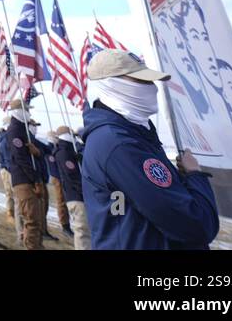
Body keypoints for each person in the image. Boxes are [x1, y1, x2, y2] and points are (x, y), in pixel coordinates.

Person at [79, 49, 219, 250]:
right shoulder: (120, 144)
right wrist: (195, 176)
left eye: (150, 81)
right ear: (112, 84)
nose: (151, 88)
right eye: (141, 81)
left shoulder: (135, 134)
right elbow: (195, 225)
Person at [4, 99, 43, 249]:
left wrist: (37, 153)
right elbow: (21, 158)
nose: (29, 113)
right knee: (31, 219)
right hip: (24, 179)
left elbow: (37, 151)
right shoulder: (14, 130)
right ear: (19, 111)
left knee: (36, 219)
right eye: (26, 110)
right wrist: (35, 180)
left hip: (30, 179)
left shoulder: (24, 130)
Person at [53, 125, 90, 249]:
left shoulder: (69, 151)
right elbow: (73, 176)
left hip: (77, 195)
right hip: (76, 196)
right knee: (82, 230)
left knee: (85, 230)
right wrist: (86, 192)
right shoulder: (63, 153)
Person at [0, 116, 15, 224]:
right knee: (10, 192)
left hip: (8, 167)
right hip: (7, 169)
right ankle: (10, 213)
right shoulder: (5, 140)